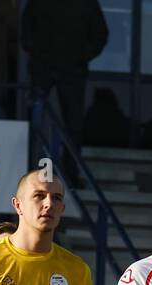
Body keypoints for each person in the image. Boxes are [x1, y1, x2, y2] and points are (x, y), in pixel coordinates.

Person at [20, 0, 108, 183]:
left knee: (70, 124)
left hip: (66, 70)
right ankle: (34, 168)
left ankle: (69, 173)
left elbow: (100, 35)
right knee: (37, 119)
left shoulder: (86, 4)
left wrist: (78, 58)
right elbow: (25, 29)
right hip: (48, 68)